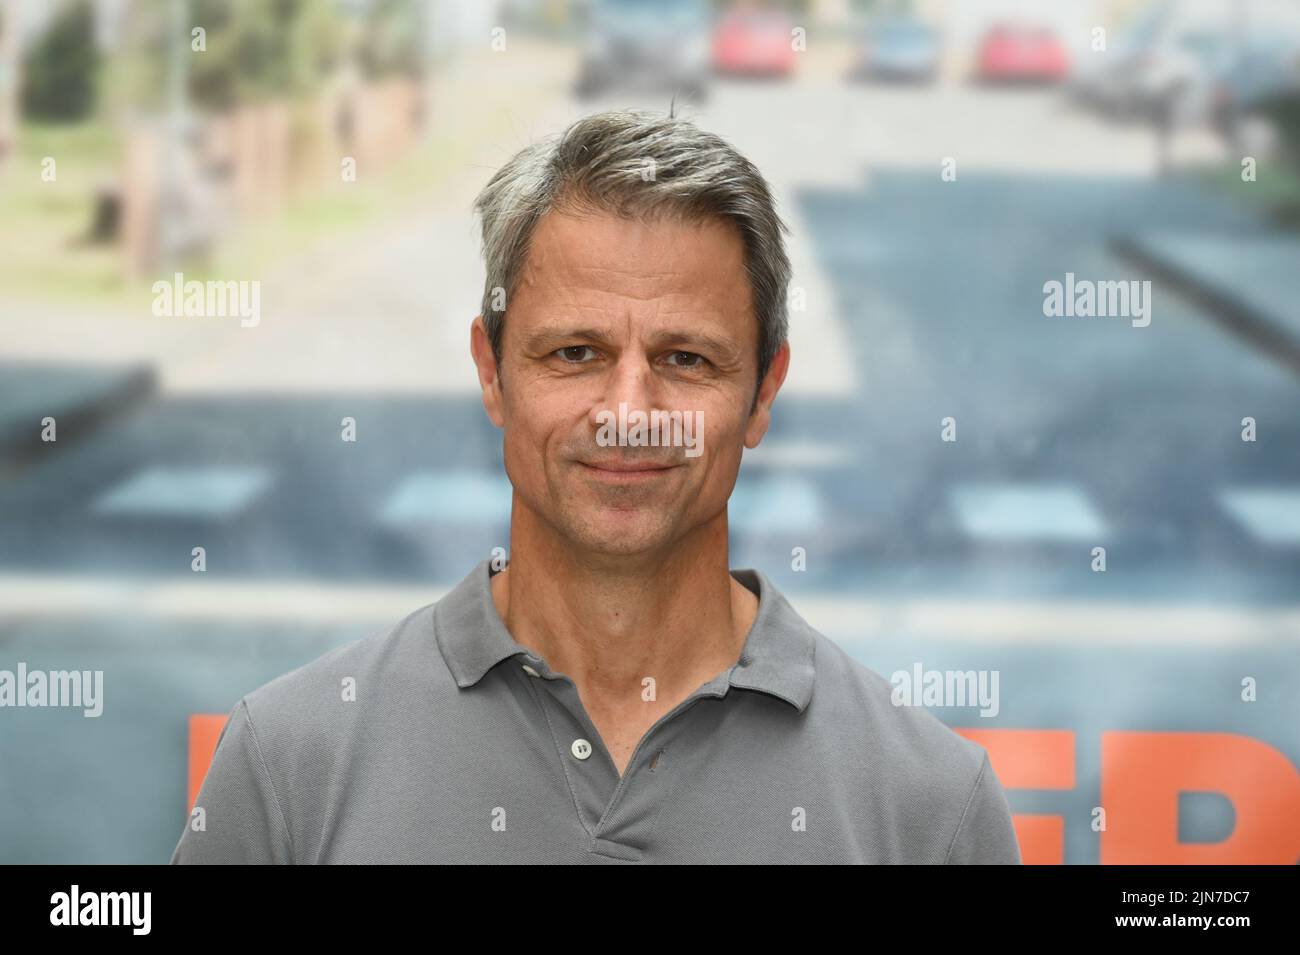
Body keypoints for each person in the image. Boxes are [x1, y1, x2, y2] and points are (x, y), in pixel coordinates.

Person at [170, 108, 1021, 864]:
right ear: (492, 373)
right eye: (574, 353)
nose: (628, 411)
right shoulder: (288, 765)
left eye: (685, 359)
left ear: (763, 392)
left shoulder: (932, 811)